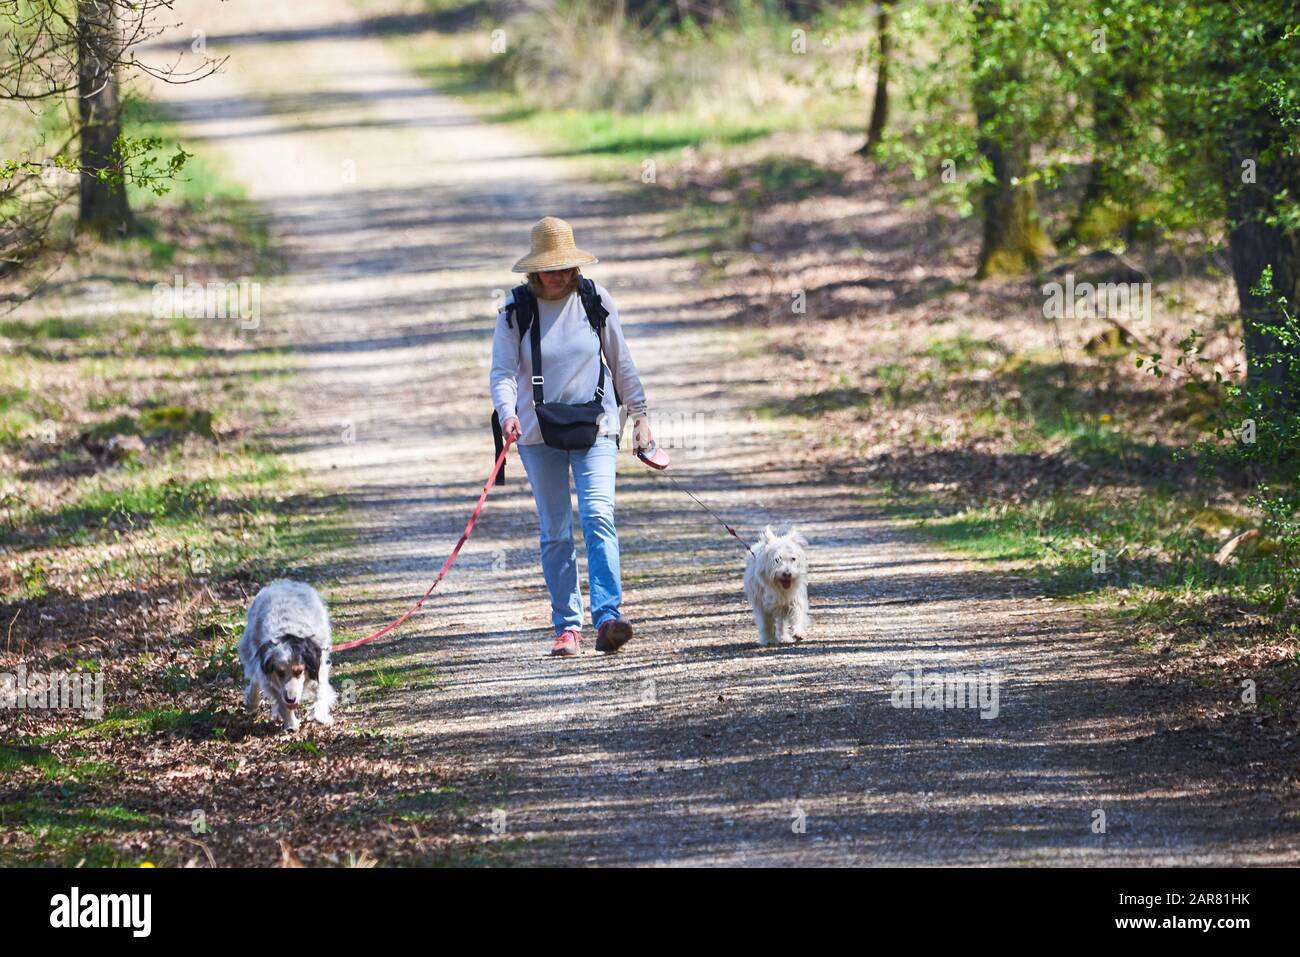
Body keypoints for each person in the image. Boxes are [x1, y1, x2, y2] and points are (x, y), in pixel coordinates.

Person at [490, 217, 654, 657]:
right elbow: (503, 374)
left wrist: (639, 416)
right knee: (556, 530)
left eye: (565, 266)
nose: (558, 275)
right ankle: (567, 627)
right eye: (549, 268)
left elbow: (621, 362)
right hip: (537, 431)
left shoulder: (595, 299)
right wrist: (508, 415)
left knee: (598, 515)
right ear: (533, 270)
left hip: (596, 424)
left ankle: (607, 618)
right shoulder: (515, 310)